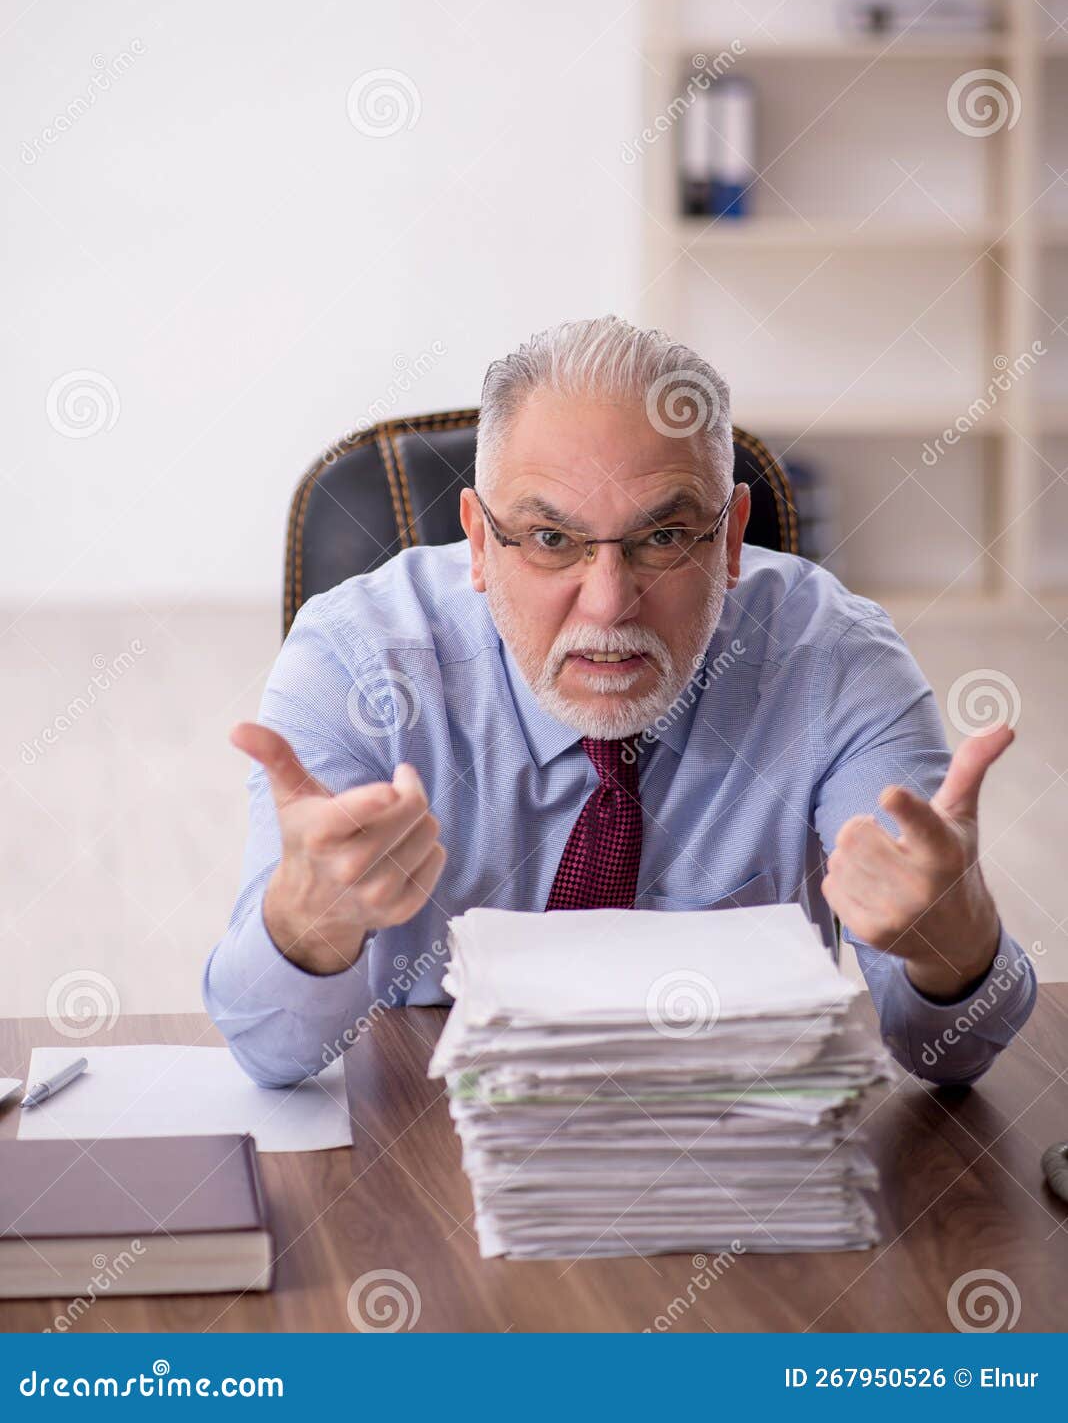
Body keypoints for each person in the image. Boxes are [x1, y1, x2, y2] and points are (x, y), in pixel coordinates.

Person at [203, 315, 1036, 1088]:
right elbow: (274, 1053)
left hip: (742, 1149)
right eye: (552, 540)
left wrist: (954, 946)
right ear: (481, 542)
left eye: (664, 538)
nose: (608, 604)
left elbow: (951, 1055)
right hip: (439, 1151)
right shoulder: (357, 660)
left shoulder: (837, 662)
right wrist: (305, 929)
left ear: (732, 536)